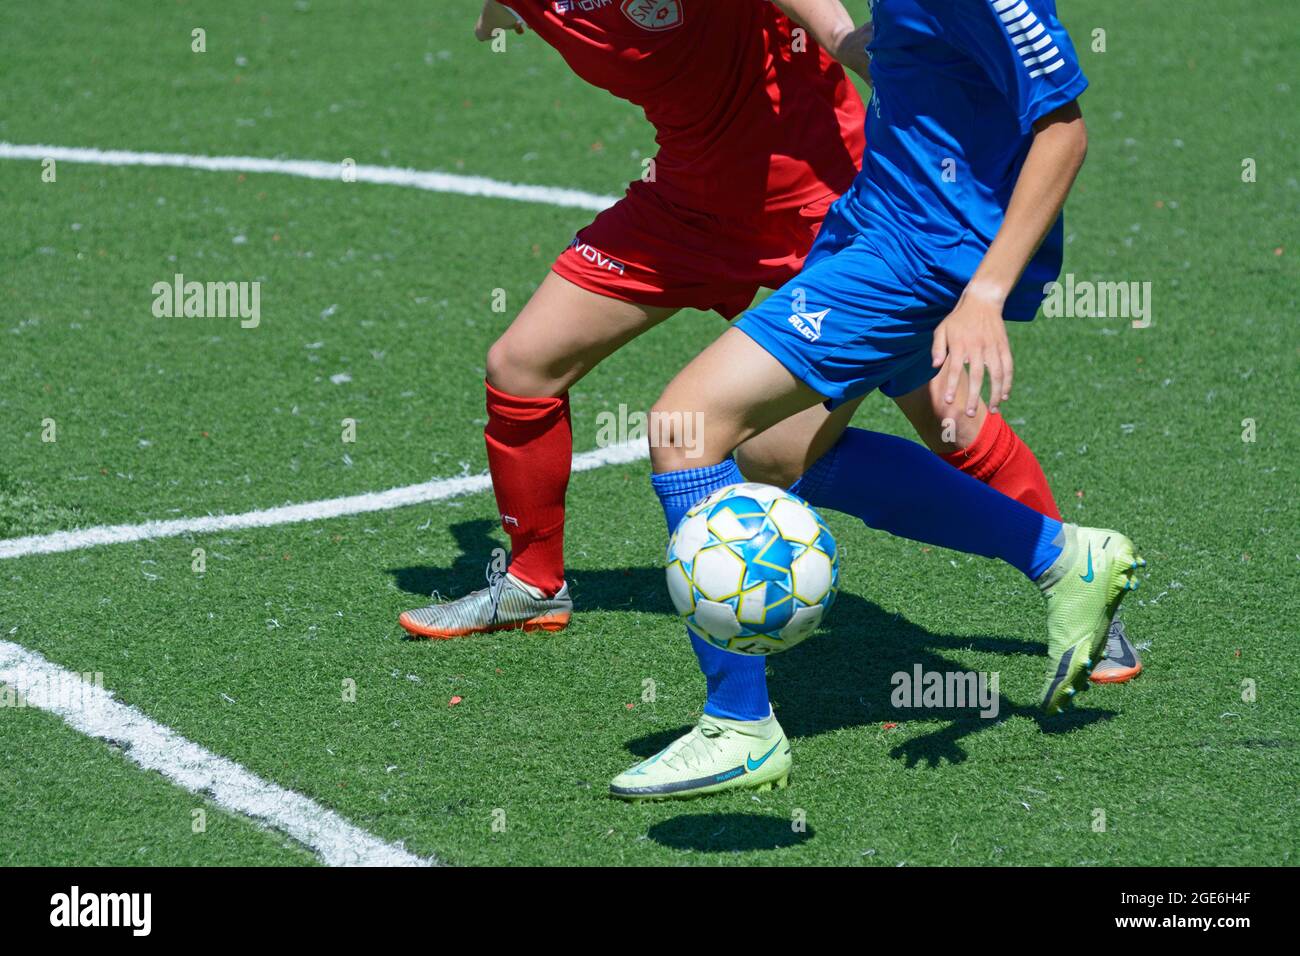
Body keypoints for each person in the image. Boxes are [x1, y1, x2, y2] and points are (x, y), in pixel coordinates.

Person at [400, 1, 1111, 671]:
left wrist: (845, 43)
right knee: (523, 364)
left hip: (823, 202)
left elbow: (1058, 121)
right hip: (686, 206)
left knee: (941, 418)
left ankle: (1082, 596)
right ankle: (533, 582)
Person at [610, 0, 1146, 801]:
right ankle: (1065, 557)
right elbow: (910, 49)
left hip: (924, 255)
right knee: (779, 453)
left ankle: (739, 728)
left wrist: (984, 293)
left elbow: (1063, 130)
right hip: (871, 222)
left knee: (685, 426)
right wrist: (848, 39)